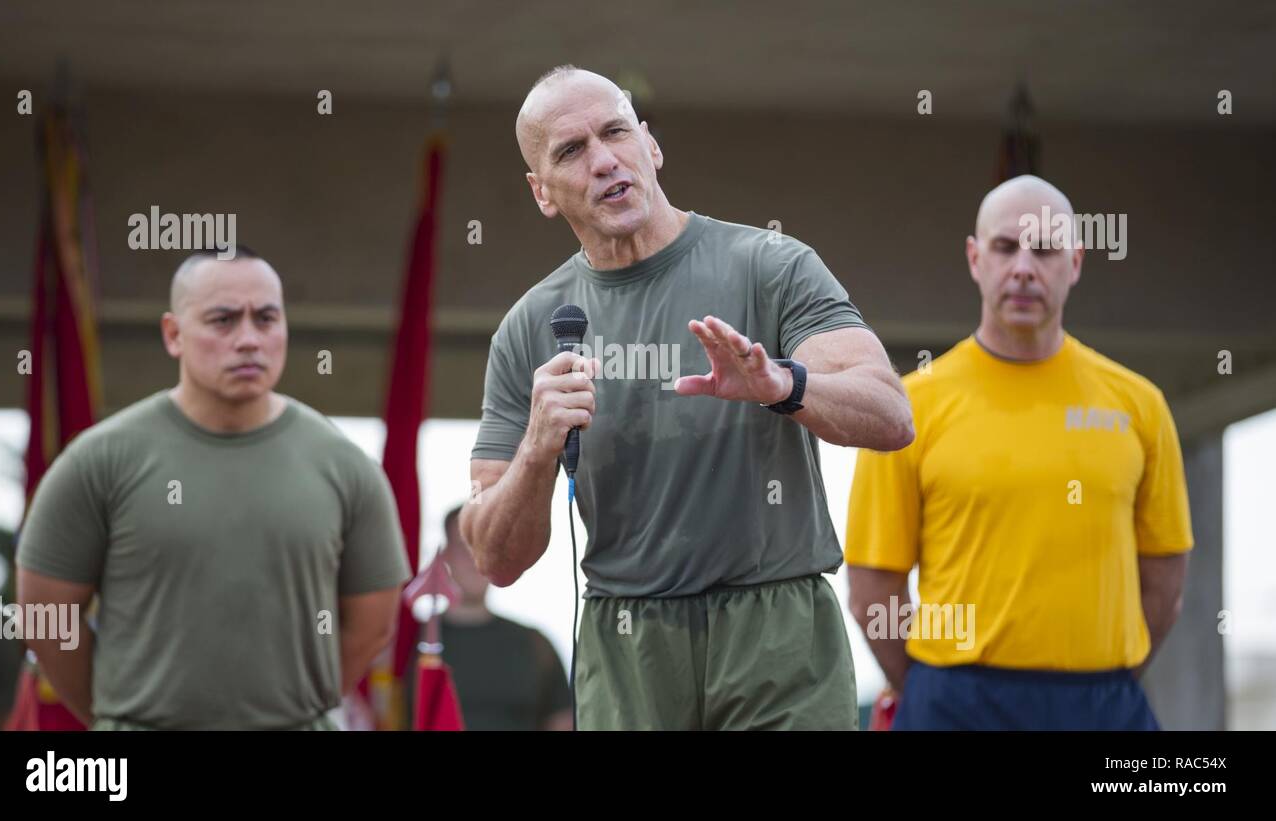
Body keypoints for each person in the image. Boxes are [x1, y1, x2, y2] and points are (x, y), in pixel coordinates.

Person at [461, 65, 914, 730]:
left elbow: (890, 413)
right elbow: (493, 558)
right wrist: (536, 448)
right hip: (626, 638)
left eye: (616, 132)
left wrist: (783, 385)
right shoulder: (530, 327)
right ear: (542, 192)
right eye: (571, 150)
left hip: (775, 625)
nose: (605, 159)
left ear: (651, 145)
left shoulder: (771, 264)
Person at [846, 175, 1193, 730]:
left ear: (1075, 262)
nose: (1024, 267)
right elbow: (872, 593)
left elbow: (1166, 584)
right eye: (1006, 247)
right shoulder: (909, 406)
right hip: (954, 702)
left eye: (1046, 250)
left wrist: (1100, 680)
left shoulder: (1139, 405)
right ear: (975, 258)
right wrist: (937, 690)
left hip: (1103, 705)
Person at [15, 248, 410, 730]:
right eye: (223, 320)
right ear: (173, 334)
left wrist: (294, 713)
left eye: (266, 318)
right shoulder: (97, 462)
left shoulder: (346, 467)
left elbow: (372, 627)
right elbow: (45, 615)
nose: (249, 340)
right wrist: (122, 715)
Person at [434, 505, 572, 731]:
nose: (474, 560)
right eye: (464, 548)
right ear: (444, 556)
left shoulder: (535, 644)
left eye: (483, 547)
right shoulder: (411, 642)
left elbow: (562, 722)